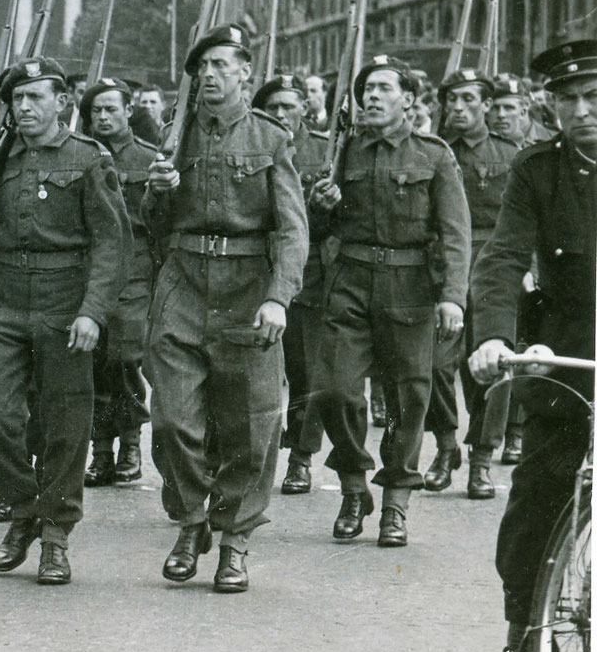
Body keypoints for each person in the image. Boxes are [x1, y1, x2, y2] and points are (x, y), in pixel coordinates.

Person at [141, 30, 307, 592]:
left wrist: (277, 297)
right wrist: (158, 190)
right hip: (183, 286)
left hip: (247, 289)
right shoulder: (173, 138)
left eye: (220, 65)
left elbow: (290, 228)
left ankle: (234, 540)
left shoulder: (271, 138)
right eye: (200, 68)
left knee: (253, 426)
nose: (208, 75)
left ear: (245, 74)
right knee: (170, 418)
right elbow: (152, 228)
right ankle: (190, 521)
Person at [466, 37, 596, 652]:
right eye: (569, 99)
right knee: (538, 506)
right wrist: (494, 336)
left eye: (594, 97)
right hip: (568, 360)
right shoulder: (537, 172)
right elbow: (503, 254)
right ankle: (527, 638)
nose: (582, 110)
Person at [0, 57, 128, 586]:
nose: (25, 108)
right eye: (17, 99)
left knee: (64, 422)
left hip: (64, 301)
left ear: (62, 103)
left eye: (36, 97)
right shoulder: (0, 157)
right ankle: (22, 507)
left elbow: (111, 242)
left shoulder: (87, 158)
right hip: (5, 297)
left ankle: (54, 536)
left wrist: (92, 312)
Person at [309, 55, 471, 546]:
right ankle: (354, 485)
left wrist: (452, 297)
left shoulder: (434, 154)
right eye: (366, 90)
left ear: (408, 100)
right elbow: (316, 231)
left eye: (383, 88)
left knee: (409, 398)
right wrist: (321, 205)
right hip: (351, 282)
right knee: (334, 390)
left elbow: (455, 232)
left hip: (410, 290)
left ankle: (396, 501)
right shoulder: (343, 152)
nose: (372, 97)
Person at [423, 67, 523, 498]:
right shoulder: (434, 152)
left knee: (493, 366)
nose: (459, 108)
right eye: (452, 100)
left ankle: (481, 458)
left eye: (469, 99)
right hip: (443, 268)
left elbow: (526, 223)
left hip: (495, 271)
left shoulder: (512, 154)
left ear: (486, 104)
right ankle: (446, 446)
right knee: (431, 364)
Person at [255, 75, 335, 495]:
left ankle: (301, 458)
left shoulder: (326, 149)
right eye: (274, 108)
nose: (282, 114)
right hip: (255, 270)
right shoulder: (254, 142)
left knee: (307, 371)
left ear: (305, 107)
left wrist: (326, 208)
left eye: (289, 106)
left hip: (310, 273)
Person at [79, 77, 158, 488]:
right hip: (88, 269)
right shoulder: (79, 153)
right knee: (92, 359)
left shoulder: (150, 158)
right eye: (97, 111)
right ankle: (101, 450)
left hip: (134, 269)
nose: (104, 117)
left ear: (129, 111)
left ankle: (130, 441)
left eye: (112, 109)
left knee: (124, 356)